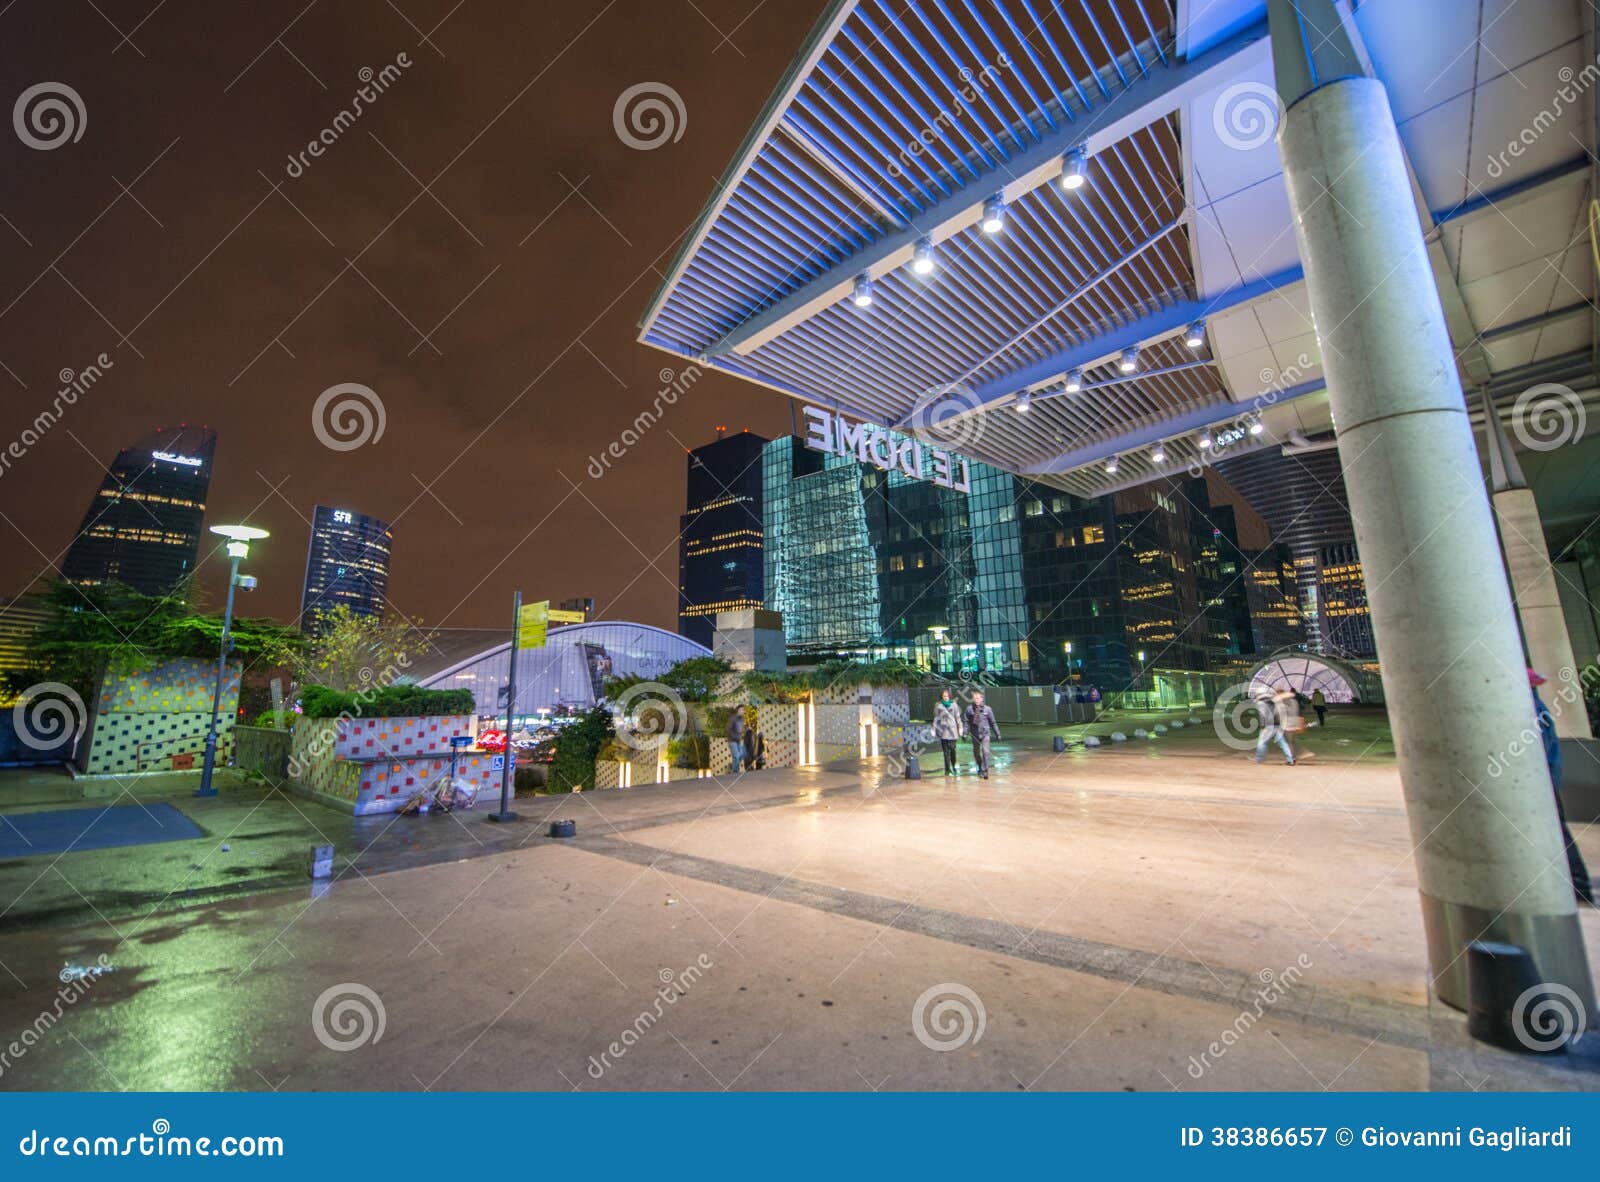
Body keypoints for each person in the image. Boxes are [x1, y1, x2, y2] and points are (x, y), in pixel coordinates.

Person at [1532, 669, 1593, 904]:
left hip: (1540, 783)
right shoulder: (1537, 709)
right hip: (1544, 781)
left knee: (1556, 831)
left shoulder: (1533, 712)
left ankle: (1579, 886)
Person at [963, 691, 1001, 779]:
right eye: (975, 698)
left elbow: (993, 723)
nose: (976, 700)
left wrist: (997, 734)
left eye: (978, 698)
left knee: (986, 752)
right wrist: (965, 733)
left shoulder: (987, 709)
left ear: (982, 699)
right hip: (975, 735)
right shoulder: (969, 709)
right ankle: (980, 766)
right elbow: (966, 722)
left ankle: (985, 770)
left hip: (985, 734)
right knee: (976, 753)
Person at [1253, 689, 1295, 766]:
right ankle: (1290, 760)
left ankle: (1259, 759)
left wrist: (1262, 725)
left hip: (1268, 726)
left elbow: (1262, 714)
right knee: (1283, 743)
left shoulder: (1261, 703)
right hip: (1277, 724)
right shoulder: (1273, 701)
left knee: (1262, 743)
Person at [932, 688, 964, 776]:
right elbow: (936, 719)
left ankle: (954, 766)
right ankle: (947, 770)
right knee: (945, 753)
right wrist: (933, 729)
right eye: (944, 696)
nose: (946, 697)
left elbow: (957, 717)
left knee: (952, 751)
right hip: (943, 731)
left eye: (947, 696)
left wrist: (960, 728)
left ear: (950, 696)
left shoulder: (954, 705)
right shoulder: (939, 706)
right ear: (942, 697)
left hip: (953, 732)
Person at [726, 705, 747, 773]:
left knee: (744, 754)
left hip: (738, 741)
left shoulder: (742, 719)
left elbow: (741, 729)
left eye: (743, 710)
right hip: (732, 741)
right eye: (741, 710)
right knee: (737, 757)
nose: (742, 711)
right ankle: (735, 772)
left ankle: (732, 767)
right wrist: (734, 737)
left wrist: (746, 730)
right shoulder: (733, 718)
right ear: (738, 710)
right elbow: (729, 729)